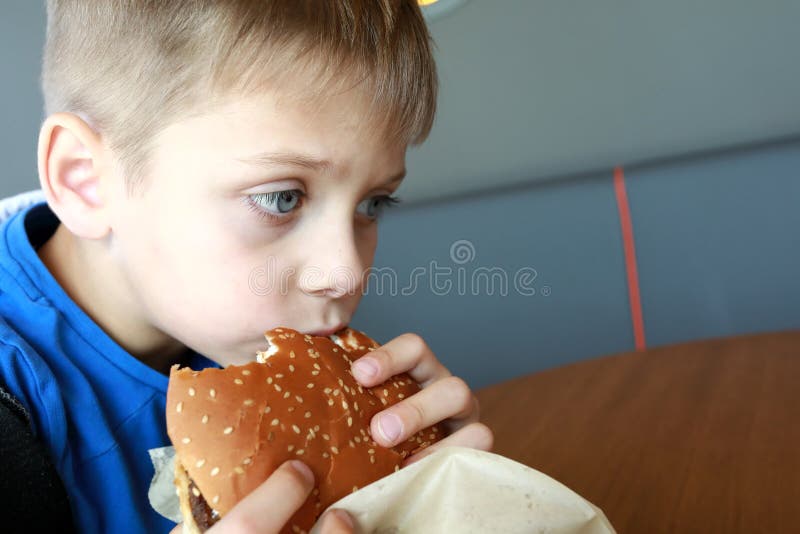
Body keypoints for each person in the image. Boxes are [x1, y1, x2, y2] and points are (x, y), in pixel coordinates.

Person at [0, 1, 494, 533]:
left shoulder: (238, 338)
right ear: (85, 181)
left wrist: (427, 497)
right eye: (282, 199)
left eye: (372, 204)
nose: (346, 272)